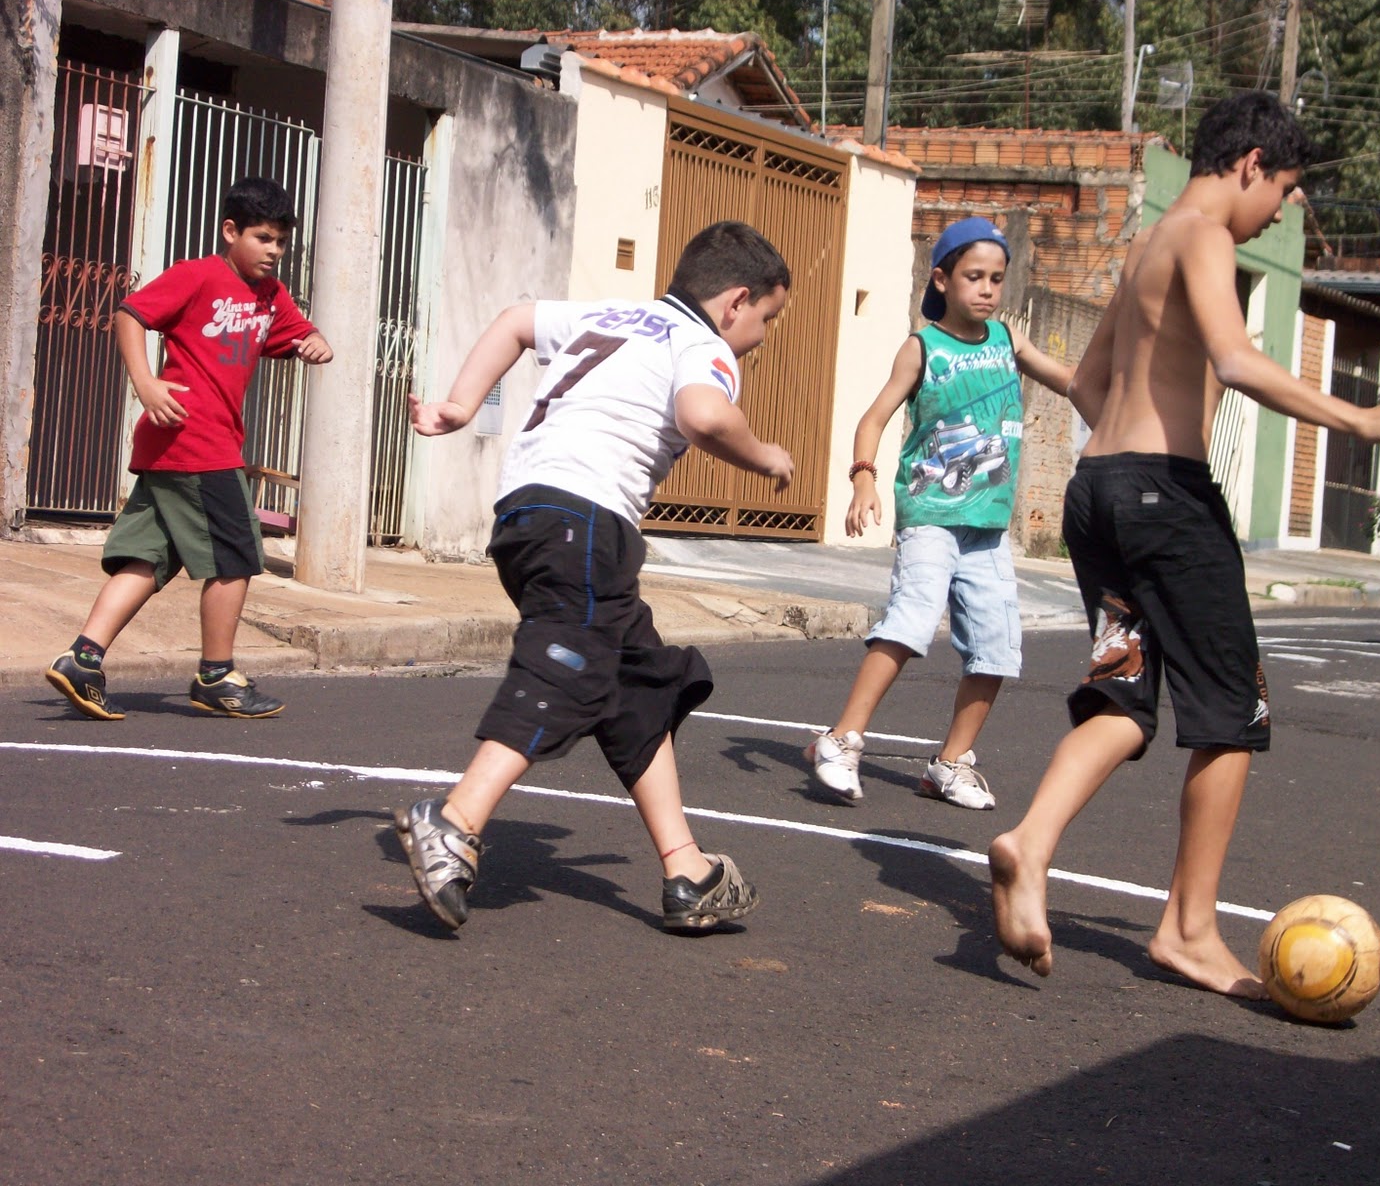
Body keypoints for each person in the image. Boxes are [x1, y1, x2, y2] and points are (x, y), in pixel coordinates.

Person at [988, 91, 1380, 994]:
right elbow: (1236, 360)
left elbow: (1087, 388)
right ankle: (1189, 930)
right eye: (1282, 190)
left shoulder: (1148, 246)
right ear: (1249, 166)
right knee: (1232, 710)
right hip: (1166, 498)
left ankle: (1028, 841)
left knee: (1125, 692)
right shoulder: (1203, 238)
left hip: (1101, 492)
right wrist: (1364, 418)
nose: (1280, 210)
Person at [393, 220, 794, 934]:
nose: (762, 339)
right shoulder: (703, 345)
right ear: (736, 302)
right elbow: (702, 416)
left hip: (527, 513)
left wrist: (460, 402)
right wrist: (764, 456)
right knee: (567, 665)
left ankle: (687, 870)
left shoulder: (612, 314)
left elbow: (516, 320)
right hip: (588, 519)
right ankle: (454, 818)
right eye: (768, 319)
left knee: (636, 682)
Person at [805, 216, 1072, 810]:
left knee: (998, 647)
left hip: (987, 528)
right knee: (910, 621)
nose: (986, 289)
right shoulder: (923, 347)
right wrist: (864, 482)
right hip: (930, 514)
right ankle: (840, 740)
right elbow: (873, 418)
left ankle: (950, 764)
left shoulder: (1009, 340)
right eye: (974, 277)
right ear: (944, 279)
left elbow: (1072, 381)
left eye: (996, 279)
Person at [44, 176, 332, 722]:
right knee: (236, 554)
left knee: (150, 558)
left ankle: (83, 660)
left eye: (281, 242)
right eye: (263, 238)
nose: (273, 251)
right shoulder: (198, 276)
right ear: (231, 231)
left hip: (181, 450)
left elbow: (295, 334)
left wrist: (315, 343)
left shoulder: (269, 295)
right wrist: (146, 384)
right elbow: (130, 314)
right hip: (194, 441)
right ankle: (216, 675)